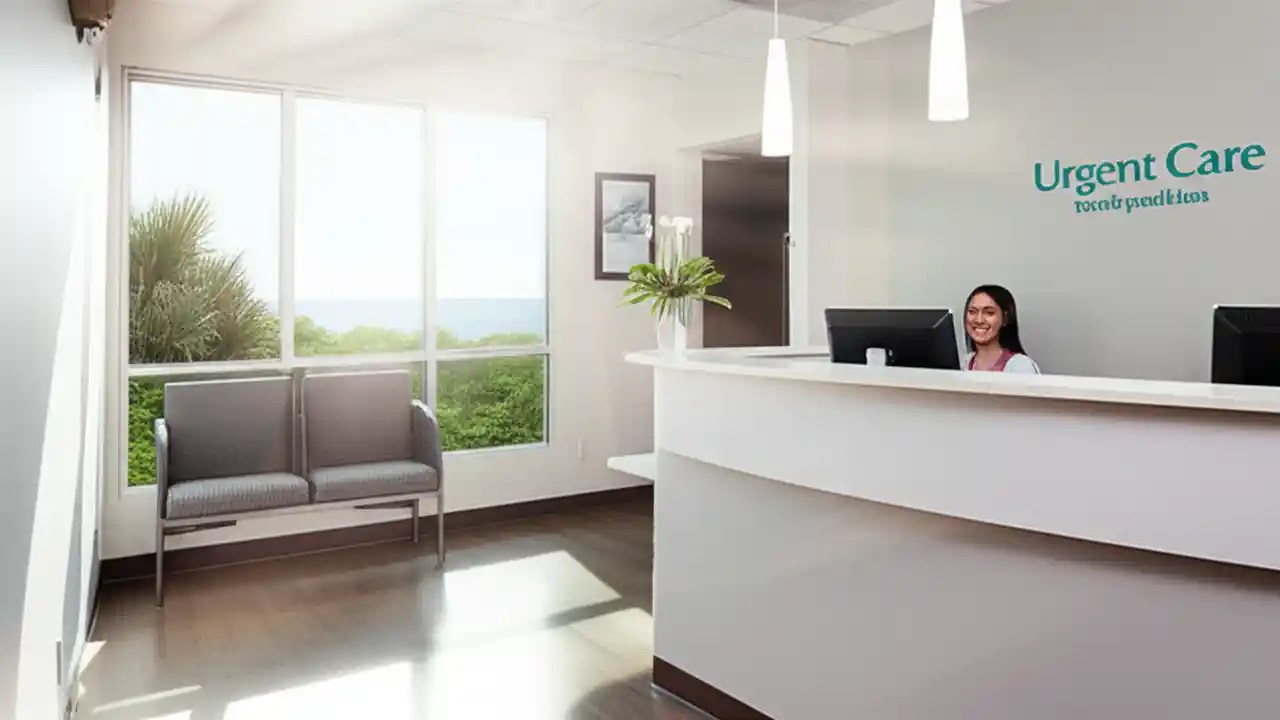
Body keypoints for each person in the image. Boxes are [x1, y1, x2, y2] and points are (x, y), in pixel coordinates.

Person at [962, 284, 1041, 374]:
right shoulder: (964, 363)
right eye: (972, 311)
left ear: (1005, 318)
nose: (979, 320)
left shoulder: (1020, 365)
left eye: (989, 313)